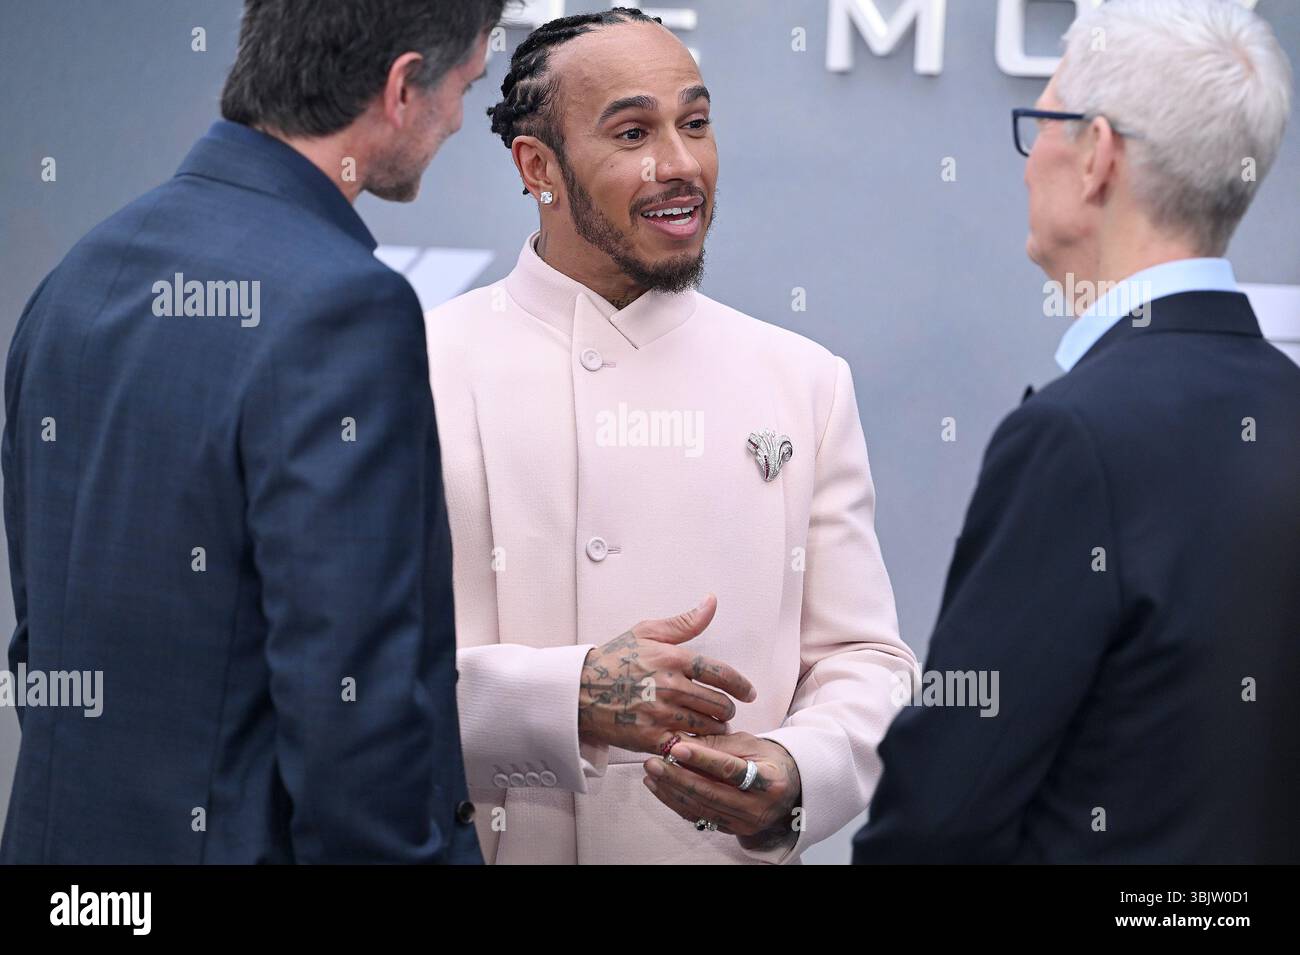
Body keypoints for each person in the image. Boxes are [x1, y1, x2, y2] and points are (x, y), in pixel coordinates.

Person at [1, 0, 504, 864]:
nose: (460, 120)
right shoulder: (345, 306)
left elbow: (43, 636)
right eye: (464, 87)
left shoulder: (80, 272)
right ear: (400, 88)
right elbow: (350, 708)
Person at [425, 8, 918, 864]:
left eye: (695, 123)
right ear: (536, 166)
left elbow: (865, 657)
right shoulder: (415, 369)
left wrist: (798, 770)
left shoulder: (803, 381)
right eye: (632, 131)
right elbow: (345, 676)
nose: (681, 164)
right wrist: (562, 697)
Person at [854, 0, 1300, 864]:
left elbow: (941, 811)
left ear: (1097, 154)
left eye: (1042, 125)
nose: (1028, 168)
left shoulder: (1072, 440)